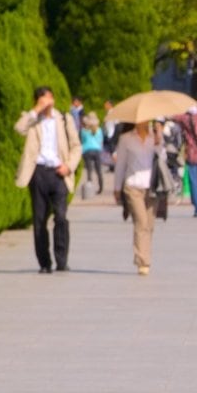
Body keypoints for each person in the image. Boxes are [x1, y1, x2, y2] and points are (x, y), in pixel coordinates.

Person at [13, 87, 73, 274]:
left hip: (58, 172)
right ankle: (44, 263)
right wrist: (36, 111)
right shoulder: (31, 119)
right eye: (42, 99)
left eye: (48, 98)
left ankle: (62, 260)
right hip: (38, 173)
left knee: (61, 217)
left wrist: (69, 165)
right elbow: (18, 128)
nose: (46, 102)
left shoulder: (63, 119)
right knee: (39, 220)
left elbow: (76, 146)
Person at [114, 120, 161, 276]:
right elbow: (120, 164)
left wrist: (159, 140)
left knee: (149, 224)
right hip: (133, 185)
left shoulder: (154, 137)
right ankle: (143, 261)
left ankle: (145, 254)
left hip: (152, 186)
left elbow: (164, 159)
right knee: (141, 222)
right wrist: (117, 187)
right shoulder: (126, 138)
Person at [78, 113, 108, 197]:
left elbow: (82, 141)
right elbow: (101, 141)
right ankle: (101, 187)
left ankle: (89, 187)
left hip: (87, 150)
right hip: (97, 150)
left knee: (89, 170)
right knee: (98, 170)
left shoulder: (83, 130)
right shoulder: (99, 130)